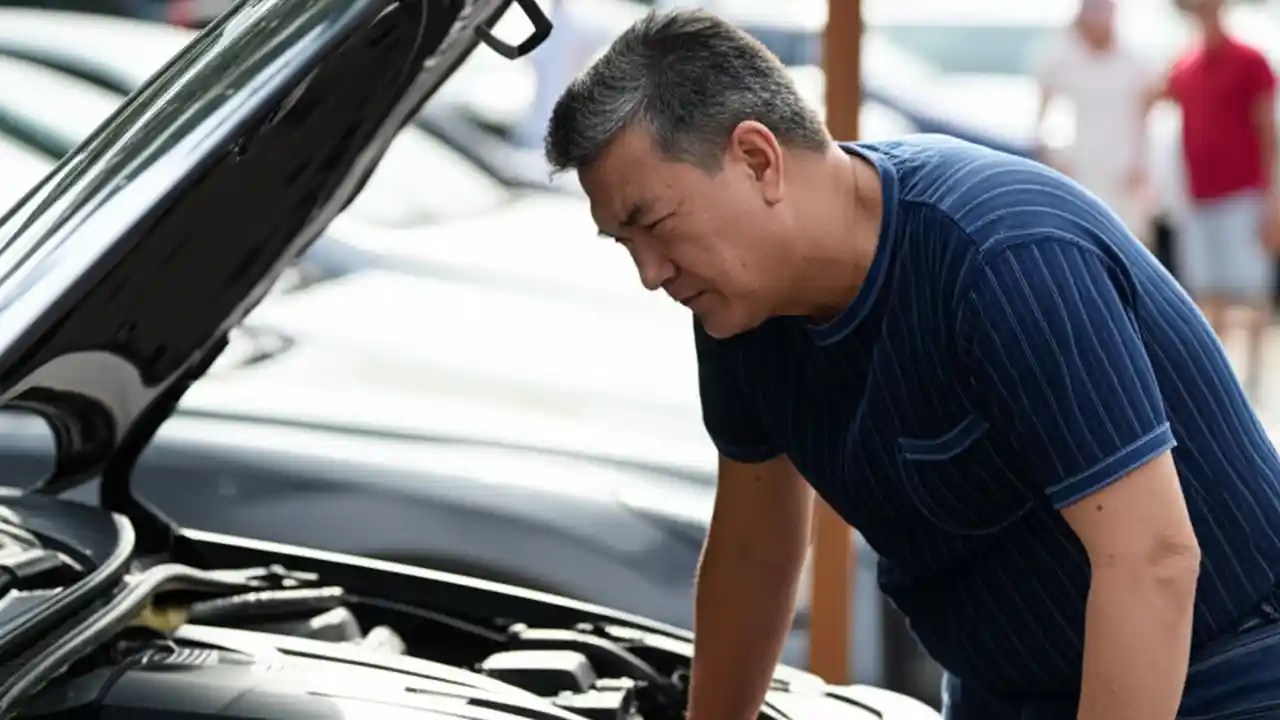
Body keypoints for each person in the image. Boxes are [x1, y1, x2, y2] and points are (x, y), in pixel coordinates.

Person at [543, 9, 1280, 720]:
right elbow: (753, 549)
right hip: (1000, 689)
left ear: (758, 159)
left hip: (1227, 675)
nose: (650, 273)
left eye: (655, 225)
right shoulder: (741, 307)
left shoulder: (1001, 257)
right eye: (624, 244)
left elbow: (1151, 561)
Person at [1161, 0, 1280, 401]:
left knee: (1249, 291)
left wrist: (1273, 201)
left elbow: (1269, 132)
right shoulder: (1184, 67)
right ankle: (1219, 377)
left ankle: (1253, 383)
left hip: (1242, 194)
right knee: (1207, 291)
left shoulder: (1251, 61)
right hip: (1198, 197)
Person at [1034, 0, 1159, 244]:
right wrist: (1054, 159)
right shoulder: (1059, 59)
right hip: (1078, 176)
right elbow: (1045, 118)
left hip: (1123, 178)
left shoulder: (1135, 60)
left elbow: (1145, 117)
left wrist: (1142, 165)